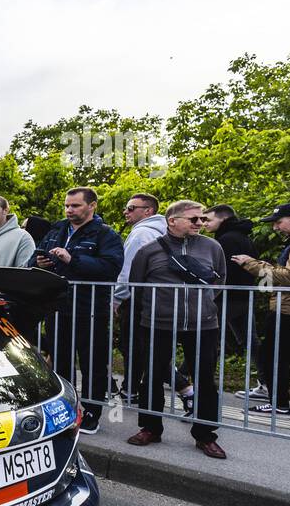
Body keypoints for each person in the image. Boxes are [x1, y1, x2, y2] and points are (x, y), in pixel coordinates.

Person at [125, 201, 228, 459]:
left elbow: (220, 281)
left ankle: (205, 435)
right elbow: (136, 284)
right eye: (194, 219)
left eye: (203, 219)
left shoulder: (212, 247)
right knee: (152, 375)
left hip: (203, 324)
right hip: (158, 322)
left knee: (205, 378)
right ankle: (150, 427)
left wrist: (201, 307)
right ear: (172, 220)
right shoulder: (149, 251)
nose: (200, 224)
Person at [35, 187, 124, 434]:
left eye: (75, 206)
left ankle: (92, 414)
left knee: (92, 364)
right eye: (67, 206)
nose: (69, 210)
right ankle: (66, 410)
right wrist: (39, 262)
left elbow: (110, 268)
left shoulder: (106, 235)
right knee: (61, 363)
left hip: (90, 310)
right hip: (57, 308)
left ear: (92, 206)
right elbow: (36, 258)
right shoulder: (57, 229)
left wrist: (72, 259)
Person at [233, 202, 290, 418]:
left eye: (278, 222)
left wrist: (251, 264)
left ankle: (279, 405)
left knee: (276, 357)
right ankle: (279, 404)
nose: (275, 228)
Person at [112, 195, 190, 408]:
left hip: (138, 300)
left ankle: (186, 390)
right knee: (143, 347)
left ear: (148, 211)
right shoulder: (166, 232)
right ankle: (130, 389)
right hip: (163, 300)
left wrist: (117, 299)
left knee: (140, 348)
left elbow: (127, 271)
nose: (125, 212)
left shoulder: (140, 233)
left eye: (130, 207)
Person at [203, 205, 267, 398]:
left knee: (207, 336)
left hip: (227, 298)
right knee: (250, 341)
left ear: (222, 220)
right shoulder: (243, 237)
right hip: (243, 296)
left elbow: (222, 271)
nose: (204, 224)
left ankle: (180, 376)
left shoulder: (225, 240)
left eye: (208, 220)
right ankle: (268, 383)